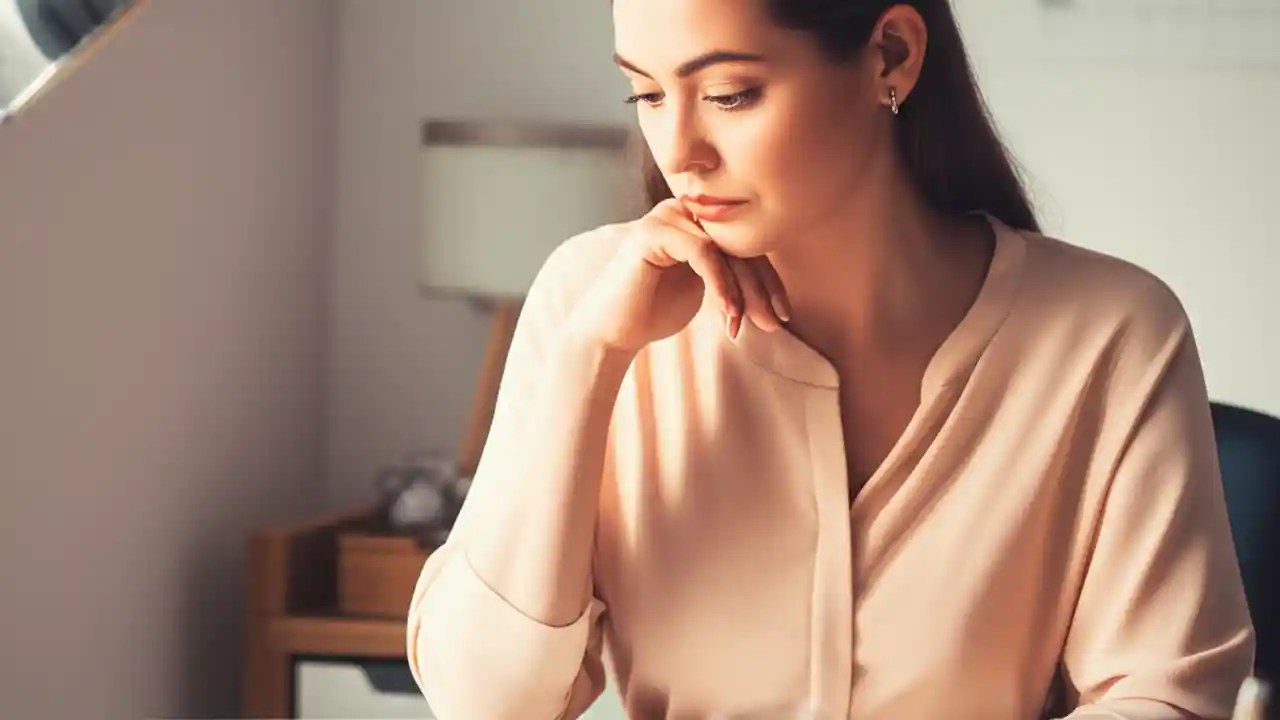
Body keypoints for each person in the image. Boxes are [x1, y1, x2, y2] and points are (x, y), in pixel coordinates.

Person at [406, 1, 1256, 718]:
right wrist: (590, 360)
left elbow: (1162, 694)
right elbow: (488, 701)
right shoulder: (589, 299)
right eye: (646, 93)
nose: (681, 151)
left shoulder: (1112, 334)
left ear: (891, 55)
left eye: (731, 94)